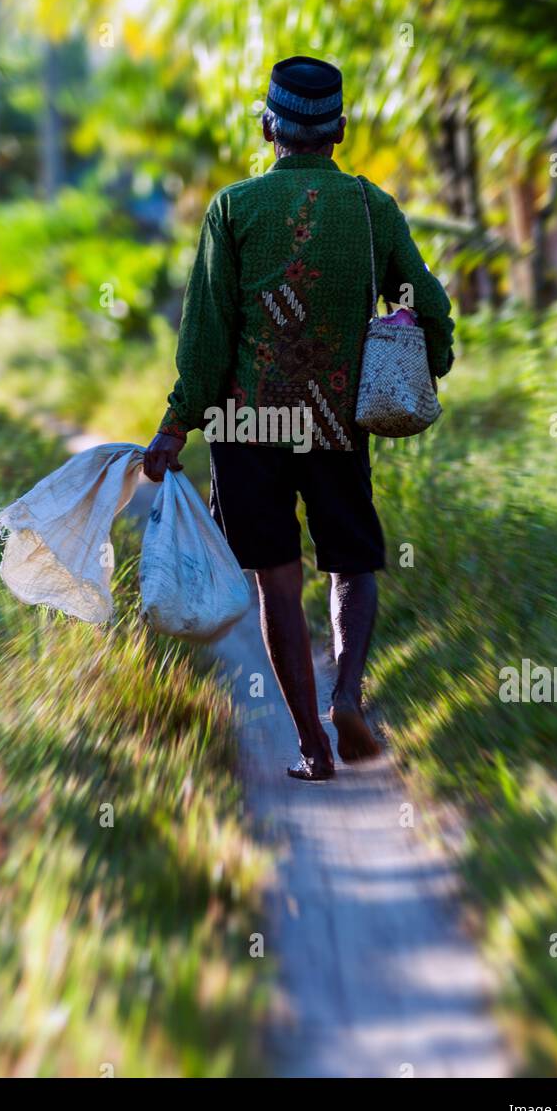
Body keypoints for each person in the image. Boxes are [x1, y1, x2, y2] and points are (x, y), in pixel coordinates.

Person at [144, 56, 454, 781]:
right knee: (352, 560)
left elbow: (207, 335)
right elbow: (428, 304)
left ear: (267, 127)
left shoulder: (233, 209)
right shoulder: (371, 209)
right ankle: (347, 695)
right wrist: (428, 362)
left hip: (249, 428)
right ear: (340, 130)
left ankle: (313, 748)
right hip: (337, 420)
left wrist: (176, 422)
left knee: (277, 583)